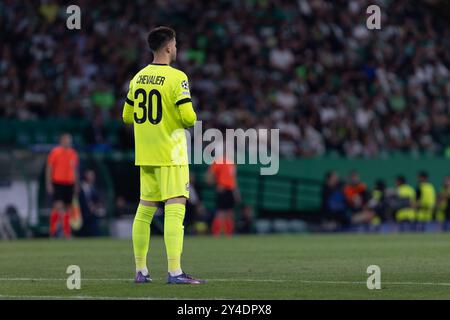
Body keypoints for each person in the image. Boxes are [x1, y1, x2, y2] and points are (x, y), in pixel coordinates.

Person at [122, 26, 204, 284]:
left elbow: (126, 117)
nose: (176, 48)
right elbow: (189, 117)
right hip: (171, 153)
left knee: (144, 211)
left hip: (146, 154)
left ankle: (141, 270)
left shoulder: (138, 78)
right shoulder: (177, 78)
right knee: (175, 208)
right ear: (168, 47)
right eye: (176, 44)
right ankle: (175, 271)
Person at [46, 133, 79, 238]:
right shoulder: (55, 152)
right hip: (58, 182)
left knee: (67, 208)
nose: (68, 142)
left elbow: (75, 169)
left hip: (69, 183)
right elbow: (49, 168)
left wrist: (76, 183)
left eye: (69, 140)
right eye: (66, 140)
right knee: (59, 207)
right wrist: (49, 183)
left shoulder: (73, 153)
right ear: (61, 141)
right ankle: (60, 232)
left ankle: (59, 231)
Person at [206, 153, 240, 236]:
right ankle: (216, 233)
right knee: (221, 213)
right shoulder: (220, 161)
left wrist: (236, 193)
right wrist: (215, 183)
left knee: (229, 213)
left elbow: (233, 180)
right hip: (223, 189)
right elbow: (210, 173)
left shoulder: (232, 164)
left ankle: (228, 233)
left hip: (230, 190)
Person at [79, 169, 104, 236]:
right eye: (90, 175)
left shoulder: (94, 188)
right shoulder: (81, 187)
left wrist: (95, 206)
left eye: (93, 175)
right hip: (82, 213)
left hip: (92, 214)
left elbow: (98, 200)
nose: (92, 177)